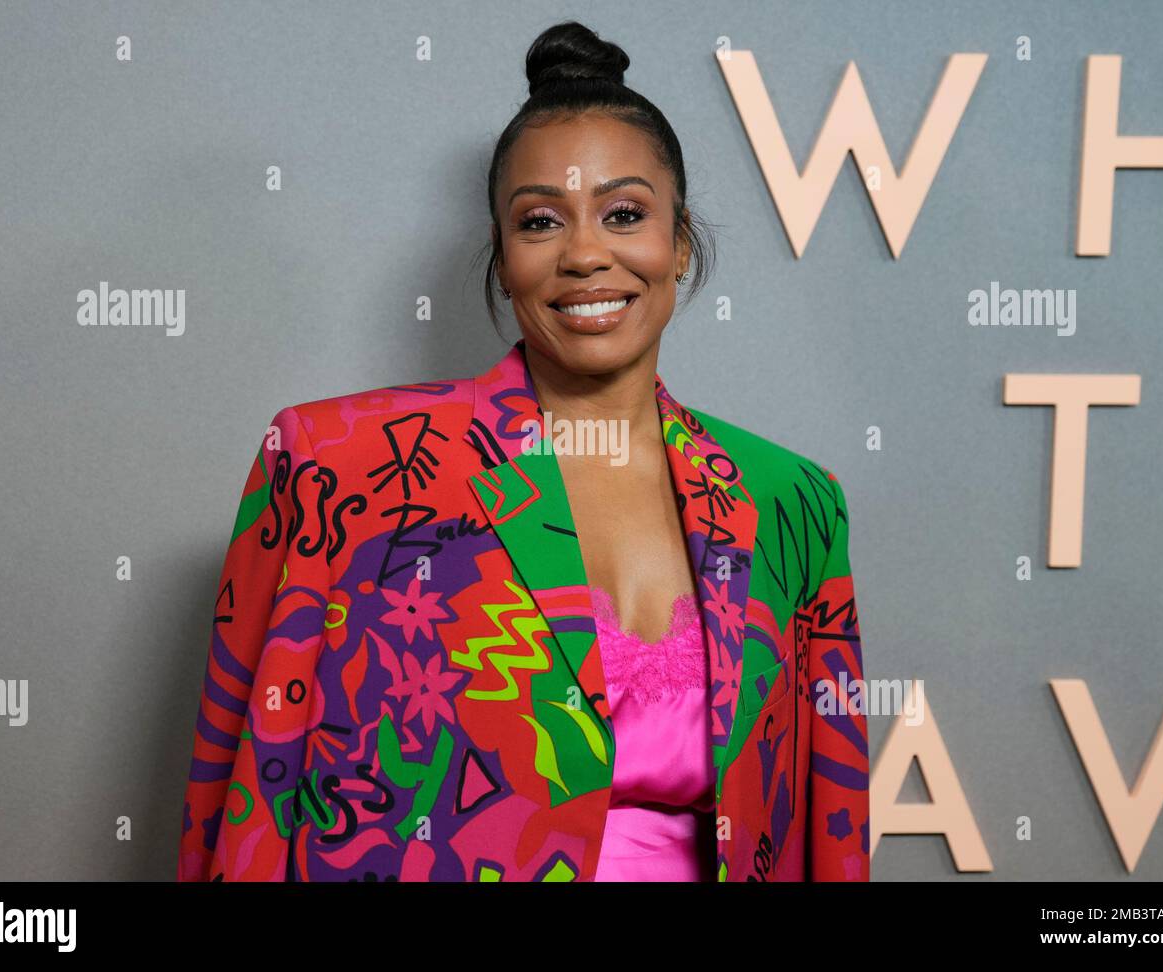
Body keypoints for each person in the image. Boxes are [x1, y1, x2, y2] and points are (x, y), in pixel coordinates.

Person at [178, 20, 869, 883]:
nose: (585, 253)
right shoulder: (332, 465)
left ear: (679, 243)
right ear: (503, 260)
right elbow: (244, 794)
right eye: (541, 221)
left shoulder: (792, 500)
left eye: (625, 213)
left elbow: (826, 824)